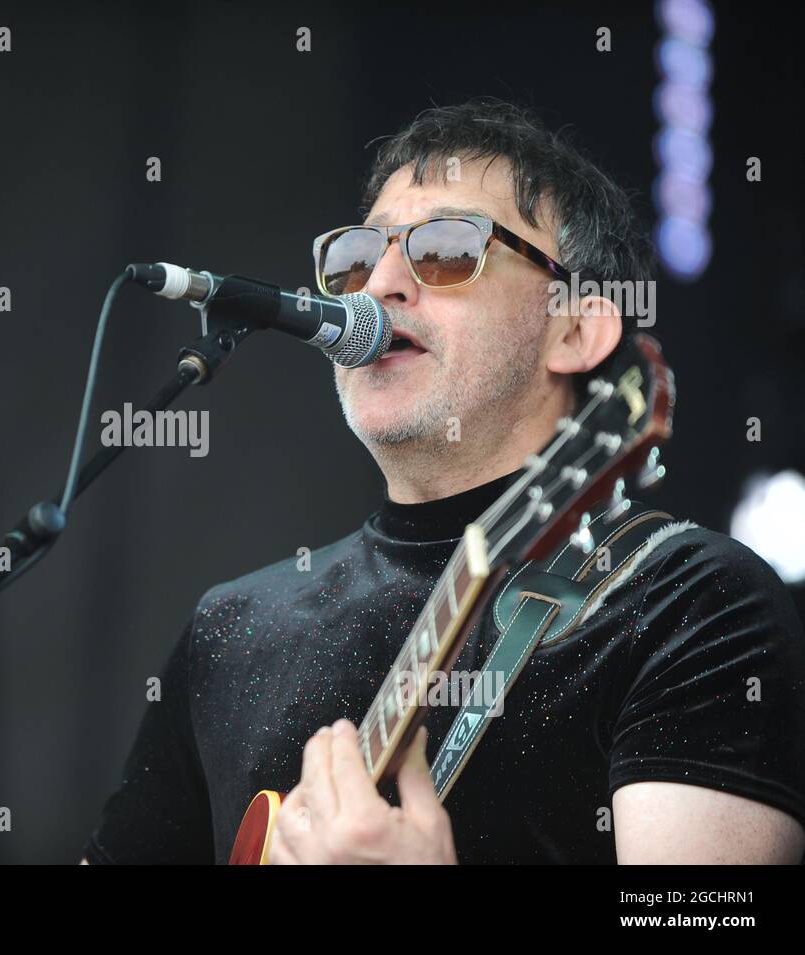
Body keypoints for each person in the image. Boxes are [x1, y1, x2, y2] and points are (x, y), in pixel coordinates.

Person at [81, 98, 805, 864]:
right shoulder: (231, 630)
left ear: (577, 330)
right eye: (358, 256)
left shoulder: (687, 601)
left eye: (449, 248)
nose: (381, 282)